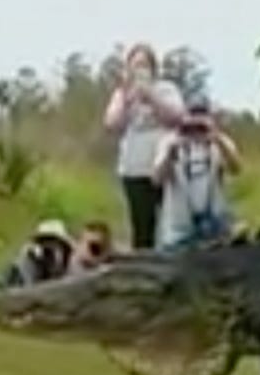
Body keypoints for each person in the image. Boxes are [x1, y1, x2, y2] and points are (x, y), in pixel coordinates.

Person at [103, 43, 186, 249]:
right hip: (133, 168)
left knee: (170, 224)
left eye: (144, 65)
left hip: (165, 166)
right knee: (142, 226)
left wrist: (151, 96)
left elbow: (178, 117)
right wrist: (126, 99)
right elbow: (111, 124)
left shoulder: (166, 89)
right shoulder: (122, 94)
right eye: (135, 65)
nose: (139, 70)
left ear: (153, 68)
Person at [152, 94, 241, 252]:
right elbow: (156, 180)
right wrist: (170, 154)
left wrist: (217, 140)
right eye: (193, 115)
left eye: (202, 115)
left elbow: (236, 169)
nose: (197, 122)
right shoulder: (169, 142)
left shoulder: (220, 142)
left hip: (214, 223)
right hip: (179, 228)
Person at [0, 219, 75, 287]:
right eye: (47, 241)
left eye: (57, 245)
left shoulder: (63, 274)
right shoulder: (25, 265)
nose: (51, 249)